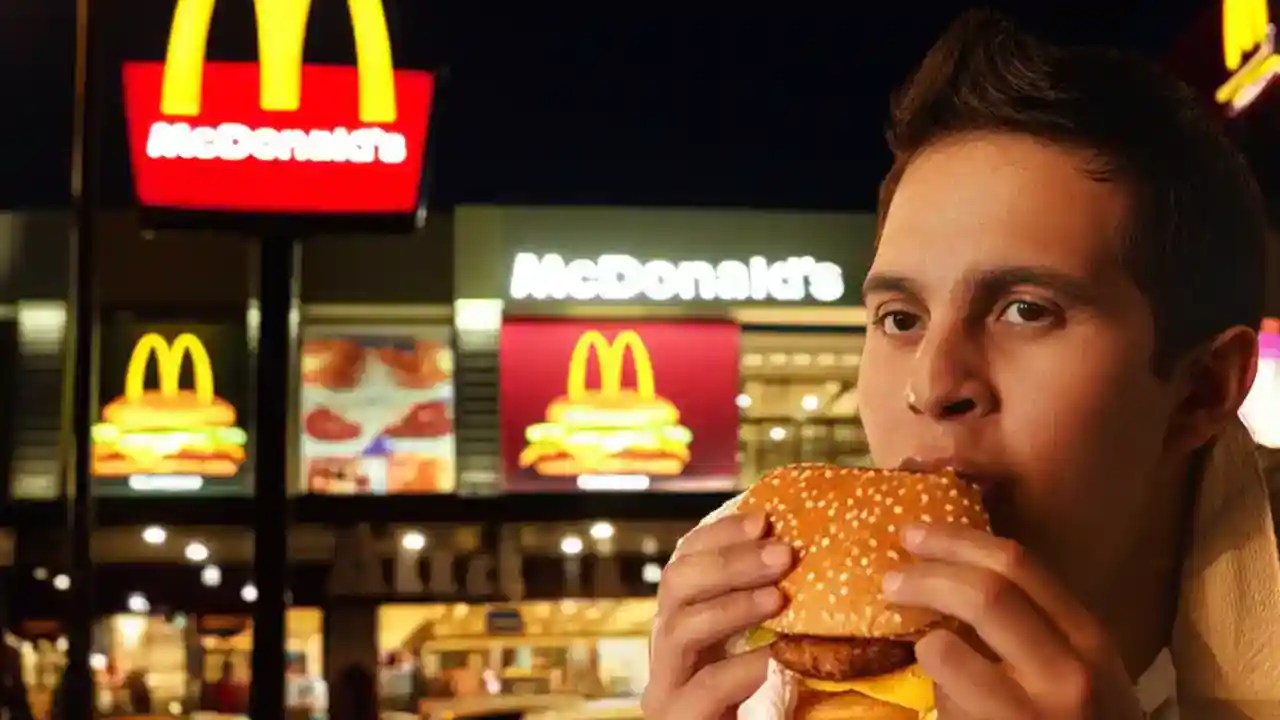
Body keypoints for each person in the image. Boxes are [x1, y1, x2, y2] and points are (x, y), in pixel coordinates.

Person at [643, 9, 1280, 720]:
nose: (931, 385)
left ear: (1201, 389)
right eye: (900, 320)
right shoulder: (743, 629)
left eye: (1026, 310)